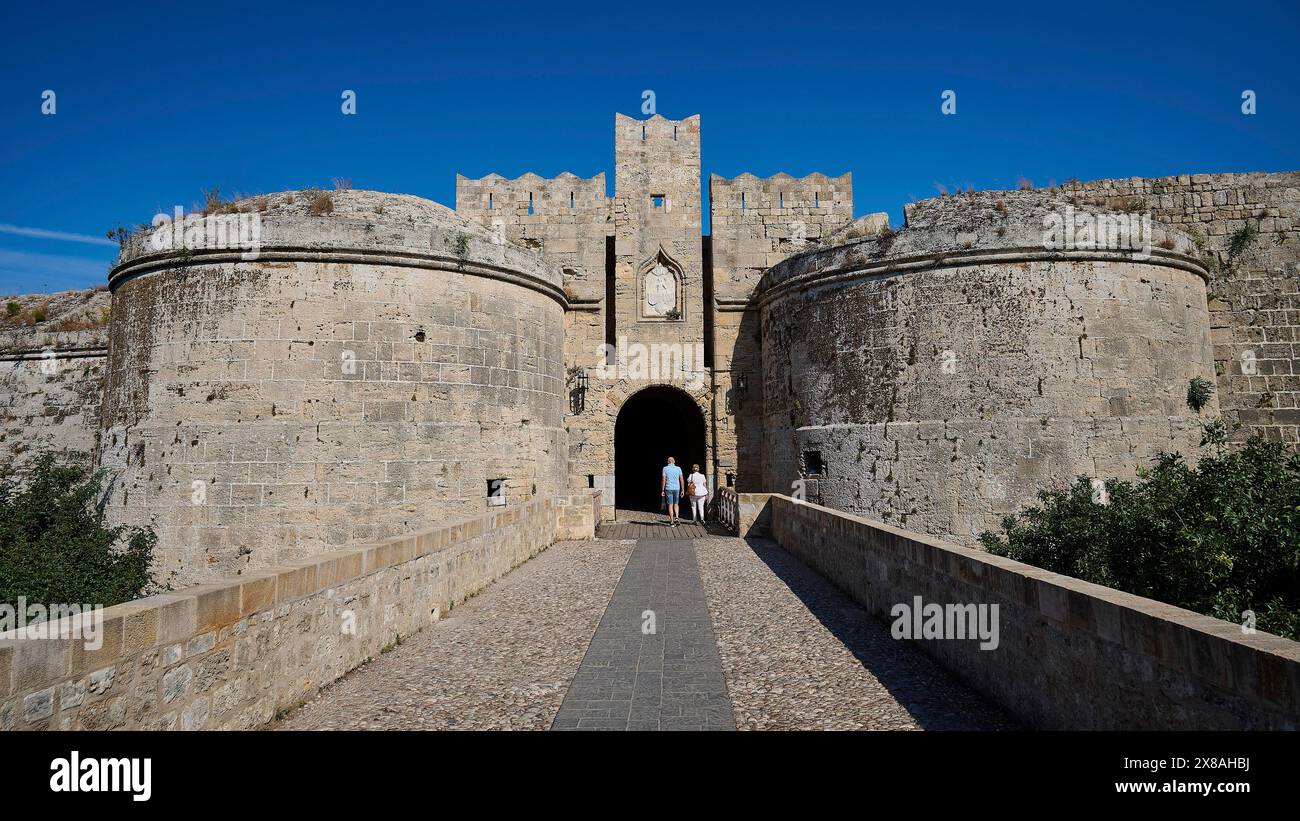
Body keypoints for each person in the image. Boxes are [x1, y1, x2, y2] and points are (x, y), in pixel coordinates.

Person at [661, 456, 685, 527]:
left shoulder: (665, 468)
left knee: (670, 504)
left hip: (668, 488)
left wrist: (662, 490)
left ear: (668, 462)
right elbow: (681, 479)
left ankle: (671, 521)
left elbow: (663, 480)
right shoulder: (678, 468)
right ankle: (677, 517)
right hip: (677, 488)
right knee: (676, 504)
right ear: (674, 461)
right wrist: (683, 489)